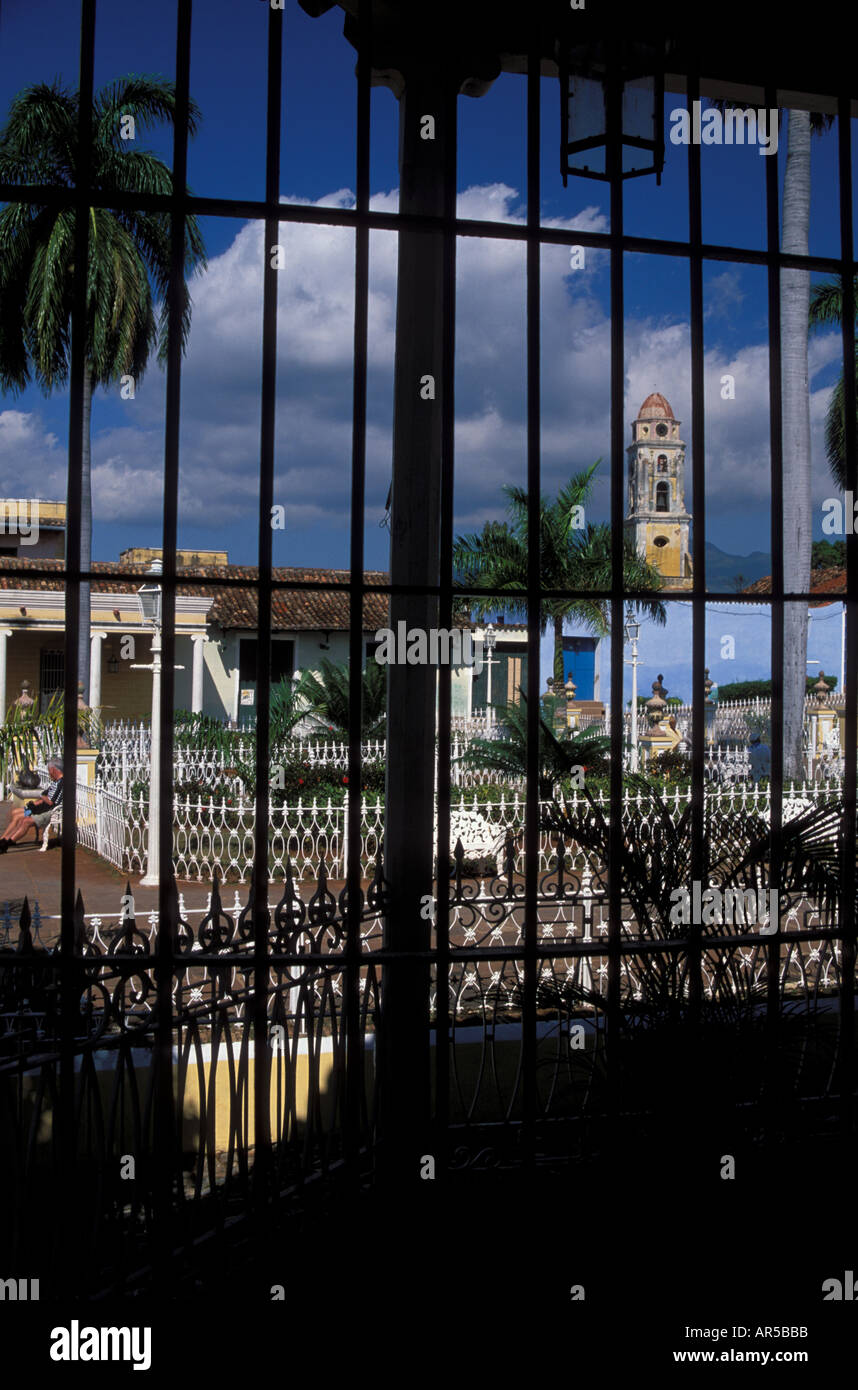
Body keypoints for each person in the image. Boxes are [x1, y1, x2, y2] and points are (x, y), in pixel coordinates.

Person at [0, 755, 64, 852]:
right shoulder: (55, 782)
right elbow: (43, 798)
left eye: (49, 770)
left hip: (47, 811)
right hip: (40, 808)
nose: (49, 773)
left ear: (54, 769)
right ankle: (3, 839)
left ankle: (6, 843)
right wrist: (32, 805)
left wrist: (42, 797)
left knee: (25, 821)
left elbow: (50, 801)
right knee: (16, 814)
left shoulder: (61, 783)